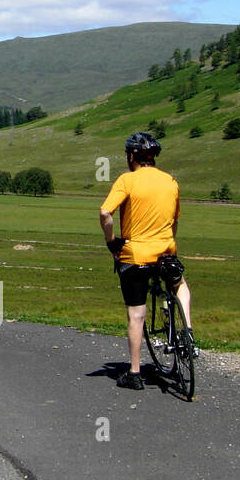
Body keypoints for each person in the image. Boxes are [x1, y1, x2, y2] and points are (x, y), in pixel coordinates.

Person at [98, 131, 194, 389]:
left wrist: (111, 242)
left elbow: (106, 212)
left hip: (135, 255)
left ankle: (135, 372)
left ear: (132, 157)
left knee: (136, 314)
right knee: (180, 286)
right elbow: (173, 222)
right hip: (165, 252)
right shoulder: (171, 181)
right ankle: (187, 331)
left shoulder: (127, 180)